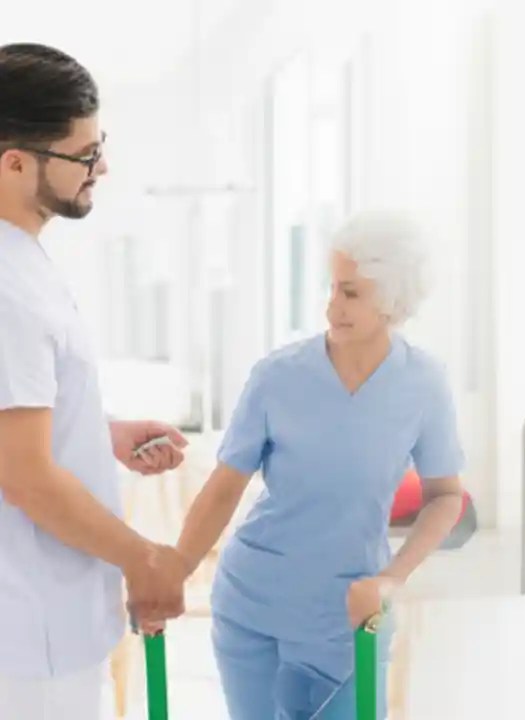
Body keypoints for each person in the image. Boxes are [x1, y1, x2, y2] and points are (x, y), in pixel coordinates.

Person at [169, 210, 467, 718]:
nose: (333, 307)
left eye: (352, 293)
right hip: (254, 606)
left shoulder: (423, 383)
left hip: (352, 613)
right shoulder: (276, 377)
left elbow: (445, 495)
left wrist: (392, 578)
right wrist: (172, 574)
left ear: (392, 299)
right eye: (332, 288)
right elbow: (225, 486)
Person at [0, 43, 189, 716]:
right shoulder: (8, 287)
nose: (101, 166)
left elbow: (18, 426)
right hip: (31, 635)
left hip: (41, 623)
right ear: (15, 163)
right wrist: (143, 558)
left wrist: (98, 433)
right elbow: (23, 476)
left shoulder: (23, 260)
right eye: (83, 154)